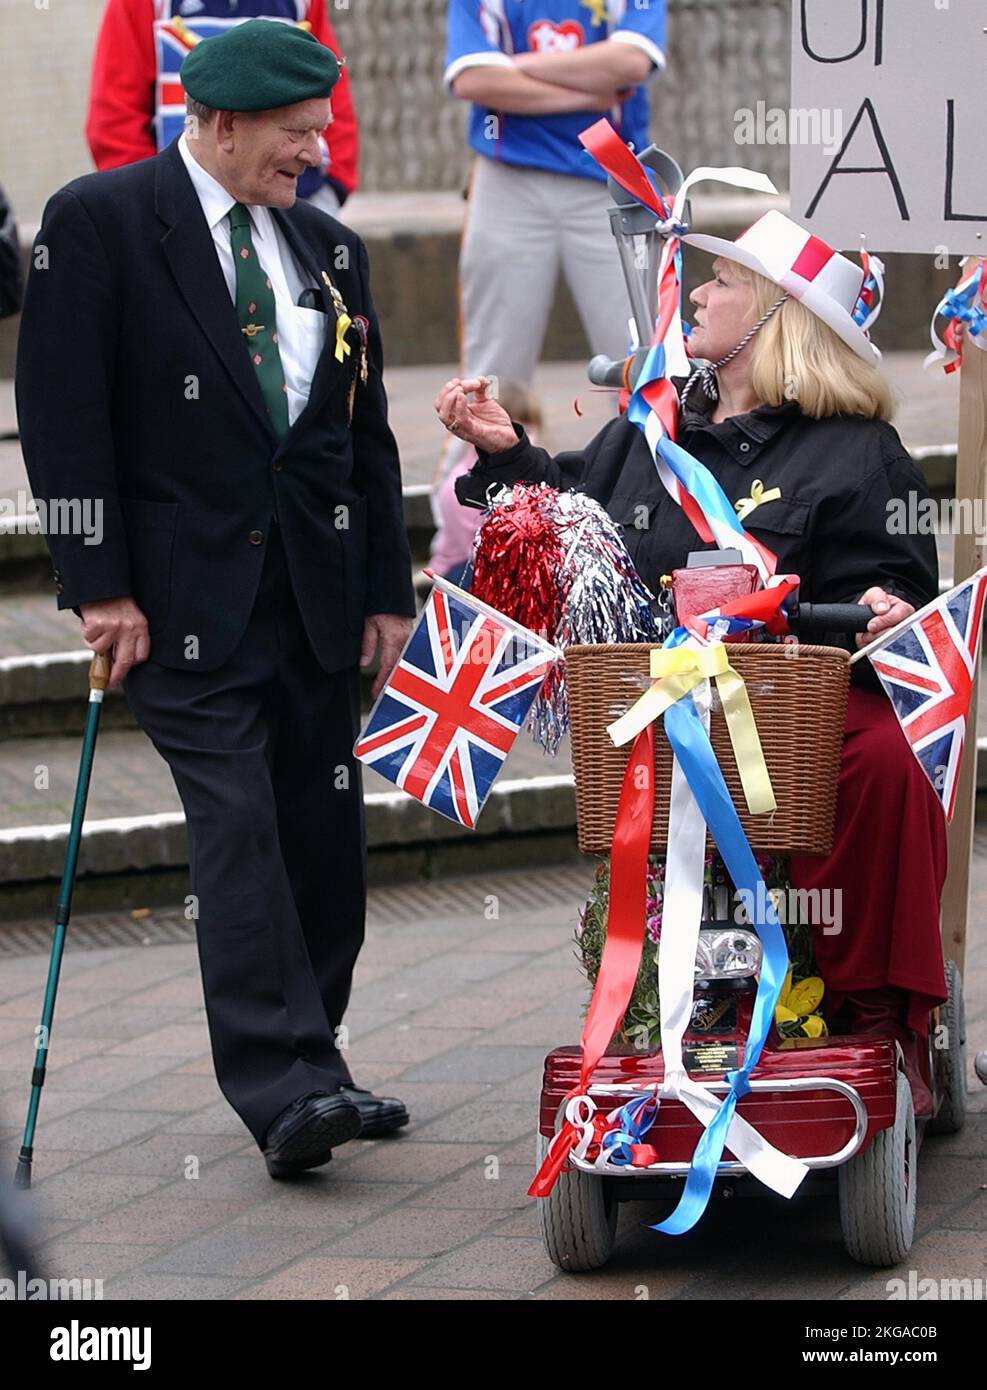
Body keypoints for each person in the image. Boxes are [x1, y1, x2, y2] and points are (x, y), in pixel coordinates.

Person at [435, 210, 948, 1117]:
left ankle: (876, 1016)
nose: (697, 295)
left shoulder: (859, 451)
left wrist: (883, 608)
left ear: (776, 316)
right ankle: (660, 1004)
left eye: (721, 282)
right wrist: (505, 451)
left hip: (799, 705)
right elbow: (572, 528)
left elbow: (899, 593)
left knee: (881, 758)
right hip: (663, 702)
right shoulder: (647, 430)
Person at [17, 20, 416, 1178]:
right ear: (222, 123)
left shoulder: (328, 248)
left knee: (320, 843)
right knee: (238, 829)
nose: (315, 151)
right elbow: (62, 418)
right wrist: (98, 585)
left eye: (319, 130)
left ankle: (318, 1056)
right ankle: (283, 1087)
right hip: (179, 602)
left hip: (315, 600)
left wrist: (385, 589)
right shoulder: (99, 223)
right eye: (295, 133)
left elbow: (363, 438)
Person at [86, 0, 358, 215]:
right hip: (180, 202)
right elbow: (115, 117)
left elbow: (331, 90)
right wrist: (150, 204)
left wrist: (331, 190)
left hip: (297, 198)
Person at [428, 380, 543, 585]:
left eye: (530, 430)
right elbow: (479, 552)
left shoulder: (536, 469)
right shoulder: (459, 487)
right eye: (519, 429)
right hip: (463, 568)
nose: (528, 439)